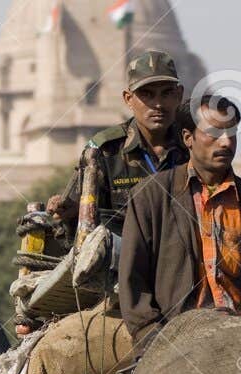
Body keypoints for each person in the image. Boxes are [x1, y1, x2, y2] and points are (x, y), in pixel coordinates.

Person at [118, 93, 241, 357]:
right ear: (188, 138)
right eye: (214, 133)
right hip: (178, 343)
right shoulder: (150, 200)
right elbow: (133, 280)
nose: (225, 142)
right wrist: (153, 339)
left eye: (231, 133)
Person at [47, 51, 188, 241]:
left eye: (166, 93)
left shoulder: (194, 146)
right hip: (120, 265)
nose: (158, 104)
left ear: (179, 95)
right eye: (146, 94)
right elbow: (76, 232)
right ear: (128, 99)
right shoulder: (104, 151)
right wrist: (70, 214)